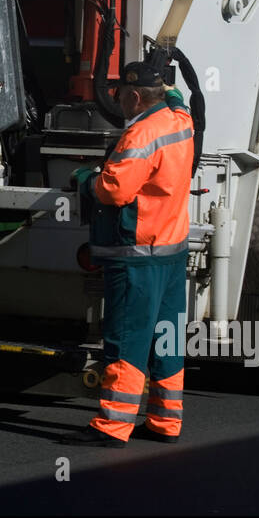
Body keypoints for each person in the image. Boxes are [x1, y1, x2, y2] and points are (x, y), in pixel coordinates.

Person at [64, 59, 195, 447]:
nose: (117, 101)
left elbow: (116, 190)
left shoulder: (141, 134)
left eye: (120, 95)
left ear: (135, 96)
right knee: (166, 340)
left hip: (137, 257)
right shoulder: (180, 120)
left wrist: (86, 181)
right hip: (171, 254)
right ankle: (165, 421)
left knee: (127, 339)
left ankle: (112, 426)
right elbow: (180, 97)